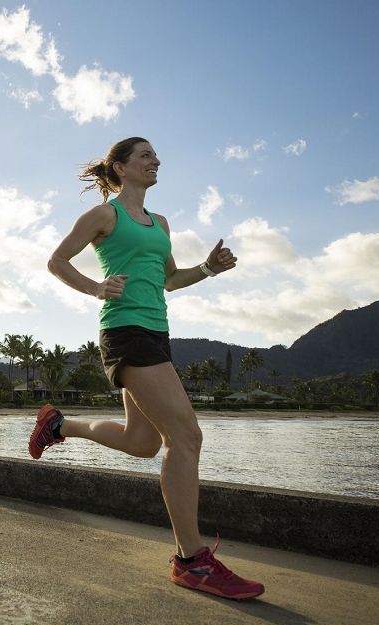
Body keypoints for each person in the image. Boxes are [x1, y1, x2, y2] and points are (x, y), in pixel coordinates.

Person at [28, 137, 264, 600]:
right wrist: (97, 288)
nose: (156, 161)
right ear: (120, 167)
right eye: (145, 156)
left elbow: (170, 280)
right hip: (125, 332)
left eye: (156, 156)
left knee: (143, 442)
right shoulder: (105, 216)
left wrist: (209, 268)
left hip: (157, 332)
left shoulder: (161, 224)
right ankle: (192, 560)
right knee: (187, 436)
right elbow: (56, 261)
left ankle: (59, 424)